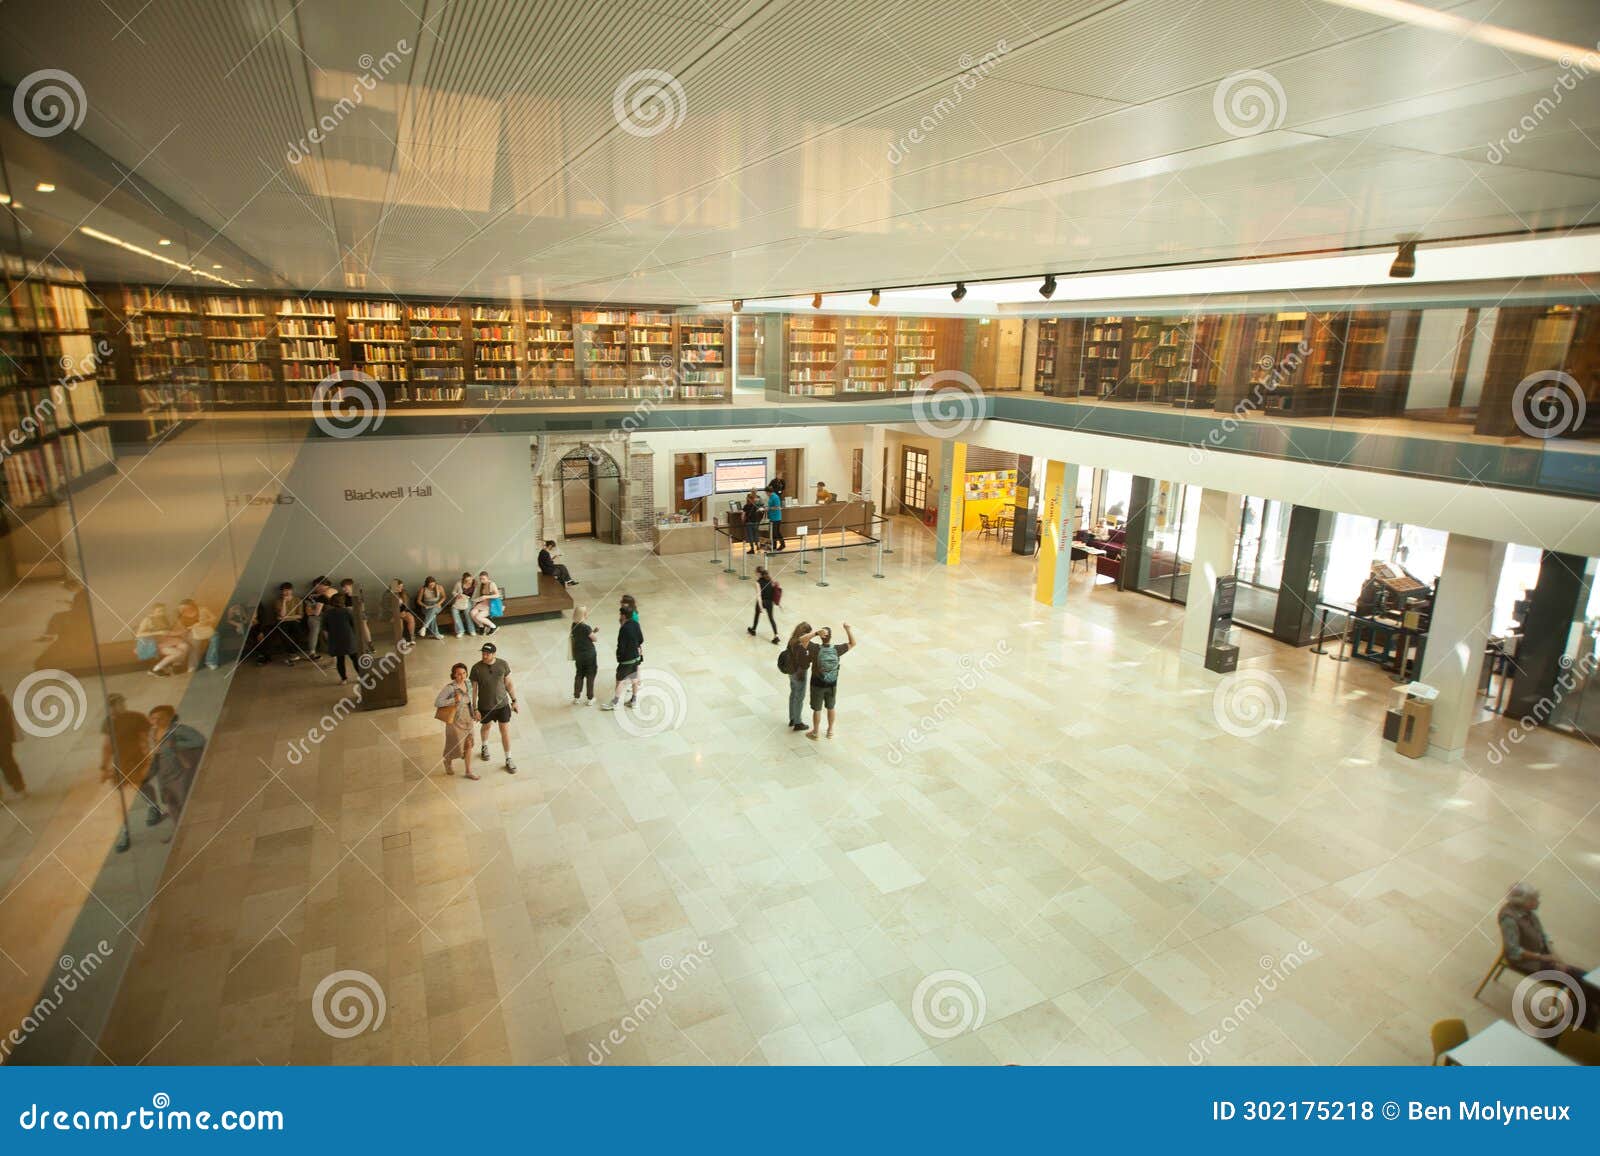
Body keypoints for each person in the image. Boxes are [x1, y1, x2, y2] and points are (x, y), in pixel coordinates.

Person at [1497, 882, 1600, 1031]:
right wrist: (1544, 958)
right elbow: (1513, 952)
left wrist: (1557, 959)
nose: (1538, 902)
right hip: (1526, 962)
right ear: (1523, 902)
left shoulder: (1530, 914)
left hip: (1543, 958)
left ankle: (1585, 1015)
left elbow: (1544, 938)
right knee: (1577, 982)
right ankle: (1581, 1023)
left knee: (1584, 978)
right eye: (1534, 899)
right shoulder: (1509, 919)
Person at [101, 694, 154, 852]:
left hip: (137, 759)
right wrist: (104, 767)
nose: (112, 708)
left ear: (122, 704)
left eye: (115, 704)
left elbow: (145, 740)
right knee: (119, 800)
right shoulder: (108, 722)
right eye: (109, 705)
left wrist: (148, 759)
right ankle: (125, 831)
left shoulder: (136, 717)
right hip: (120, 764)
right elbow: (107, 745)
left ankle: (153, 808)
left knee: (143, 788)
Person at [147, 705, 204, 833]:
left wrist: (176, 745)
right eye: (153, 718)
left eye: (160, 718)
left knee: (184, 802)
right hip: (163, 775)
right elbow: (156, 755)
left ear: (170, 717)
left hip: (179, 773)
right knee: (170, 803)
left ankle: (193, 830)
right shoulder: (152, 734)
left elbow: (200, 740)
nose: (156, 721)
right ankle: (179, 832)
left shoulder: (179, 730)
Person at [469, 641, 518, 772]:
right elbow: (473, 691)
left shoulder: (503, 664)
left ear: (494, 654)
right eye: (483, 653)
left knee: (505, 731)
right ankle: (484, 746)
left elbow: (509, 684)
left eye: (487, 654)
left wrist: (514, 700)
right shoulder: (476, 668)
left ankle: (508, 758)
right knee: (486, 727)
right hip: (485, 706)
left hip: (502, 705)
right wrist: (474, 709)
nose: (484, 656)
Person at [805, 622, 856, 741]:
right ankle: (830, 731)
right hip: (832, 684)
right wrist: (848, 629)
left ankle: (815, 733)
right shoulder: (837, 649)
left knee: (817, 709)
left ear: (821, 637)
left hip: (817, 684)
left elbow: (802, 640)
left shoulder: (815, 649)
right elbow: (853, 643)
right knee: (831, 707)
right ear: (831, 637)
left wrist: (815, 633)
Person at [435, 662, 478, 779]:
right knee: (454, 746)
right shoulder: (450, 688)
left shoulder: (468, 684)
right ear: (453, 675)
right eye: (458, 674)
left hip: (468, 719)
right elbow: (437, 702)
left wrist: (475, 711)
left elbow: (472, 699)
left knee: (468, 744)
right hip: (455, 722)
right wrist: (453, 699)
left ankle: (468, 771)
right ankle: (447, 760)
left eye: (464, 673)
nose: (462, 676)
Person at [600, 605, 644, 711]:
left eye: (620, 614)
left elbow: (621, 645)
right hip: (636, 658)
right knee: (634, 679)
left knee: (620, 681)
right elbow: (641, 639)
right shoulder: (636, 624)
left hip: (626, 660)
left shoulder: (624, 628)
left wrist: (619, 657)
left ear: (623, 616)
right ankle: (634, 701)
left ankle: (615, 703)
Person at [780, 621, 815, 731]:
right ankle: (798, 722)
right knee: (799, 696)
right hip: (799, 673)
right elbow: (804, 662)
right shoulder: (801, 644)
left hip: (790, 671)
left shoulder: (792, 640)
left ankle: (792, 718)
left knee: (793, 693)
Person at [321, 591, 359, 684]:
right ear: (343, 602)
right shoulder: (348, 611)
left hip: (335, 640)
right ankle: (361, 676)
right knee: (355, 659)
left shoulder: (327, 613)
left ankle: (344, 679)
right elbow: (354, 625)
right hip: (349, 639)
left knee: (340, 660)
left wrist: (328, 641)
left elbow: (325, 629)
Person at [0, 691, 26, 800]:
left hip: (2, 738)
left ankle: (19, 787)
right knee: (8, 762)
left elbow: (5, 719)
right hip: (4, 737)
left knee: (7, 762)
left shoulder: (1, 700)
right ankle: (18, 787)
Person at [571, 606, 599, 705]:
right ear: (583, 615)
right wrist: (594, 633)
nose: (587, 614)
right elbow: (594, 639)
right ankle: (590, 698)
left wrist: (592, 631)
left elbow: (582, 636)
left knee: (579, 674)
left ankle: (576, 697)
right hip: (589, 655)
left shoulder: (573, 625)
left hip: (579, 655)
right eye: (586, 613)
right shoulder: (586, 627)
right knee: (590, 675)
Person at [749, 565, 780, 643]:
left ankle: (753, 630)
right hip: (770, 602)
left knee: (757, 614)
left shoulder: (758, 582)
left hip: (763, 602)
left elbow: (759, 596)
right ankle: (776, 636)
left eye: (756, 572)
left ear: (759, 573)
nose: (755, 573)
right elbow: (774, 589)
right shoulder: (770, 580)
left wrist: (760, 606)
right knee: (771, 618)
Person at [382, 578, 418, 644]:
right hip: (391, 613)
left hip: (401, 611)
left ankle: (411, 637)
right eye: (399, 587)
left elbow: (406, 604)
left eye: (402, 586)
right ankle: (400, 639)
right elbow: (386, 607)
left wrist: (403, 611)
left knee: (411, 617)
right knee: (399, 621)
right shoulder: (387, 594)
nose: (401, 588)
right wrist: (397, 614)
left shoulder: (404, 592)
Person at [303, 576, 329, 661]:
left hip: (328, 616)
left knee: (328, 630)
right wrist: (316, 611)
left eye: (321, 585)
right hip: (315, 618)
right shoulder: (309, 597)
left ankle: (334, 648)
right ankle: (312, 653)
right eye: (317, 585)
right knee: (314, 628)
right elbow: (309, 612)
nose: (319, 587)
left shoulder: (329, 593)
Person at [470, 570, 501, 635]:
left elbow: (497, 595)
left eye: (483, 579)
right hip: (483, 603)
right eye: (480, 579)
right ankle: (481, 626)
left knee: (478, 617)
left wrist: (486, 597)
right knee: (472, 613)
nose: (482, 580)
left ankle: (494, 627)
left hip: (491, 604)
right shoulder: (482, 584)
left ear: (487, 578)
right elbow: (479, 594)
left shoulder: (492, 584)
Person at [450, 572, 477, 637]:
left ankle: (471, 630)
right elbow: (453, 592)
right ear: (463, 580)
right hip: (459, 601)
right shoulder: (459, 583)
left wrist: (474, 603)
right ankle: (460, 631)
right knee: (454, 611)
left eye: (470, 580)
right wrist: (457, 595)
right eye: (467, 580)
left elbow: (476, 595)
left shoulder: (475, 584)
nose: (469, 582)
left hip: (469, 601)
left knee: (467, 611)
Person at [766, 484, 786, 552]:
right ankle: (774, 546)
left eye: (766, 492)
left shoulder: (775, 497)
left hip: (776, 518)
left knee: (776, 532)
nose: (766, 494)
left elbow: (777, 507)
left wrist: (769, 508)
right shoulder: (770, 497)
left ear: (769, 492)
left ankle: (782, 544)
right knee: (773, 533)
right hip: (771, 517)